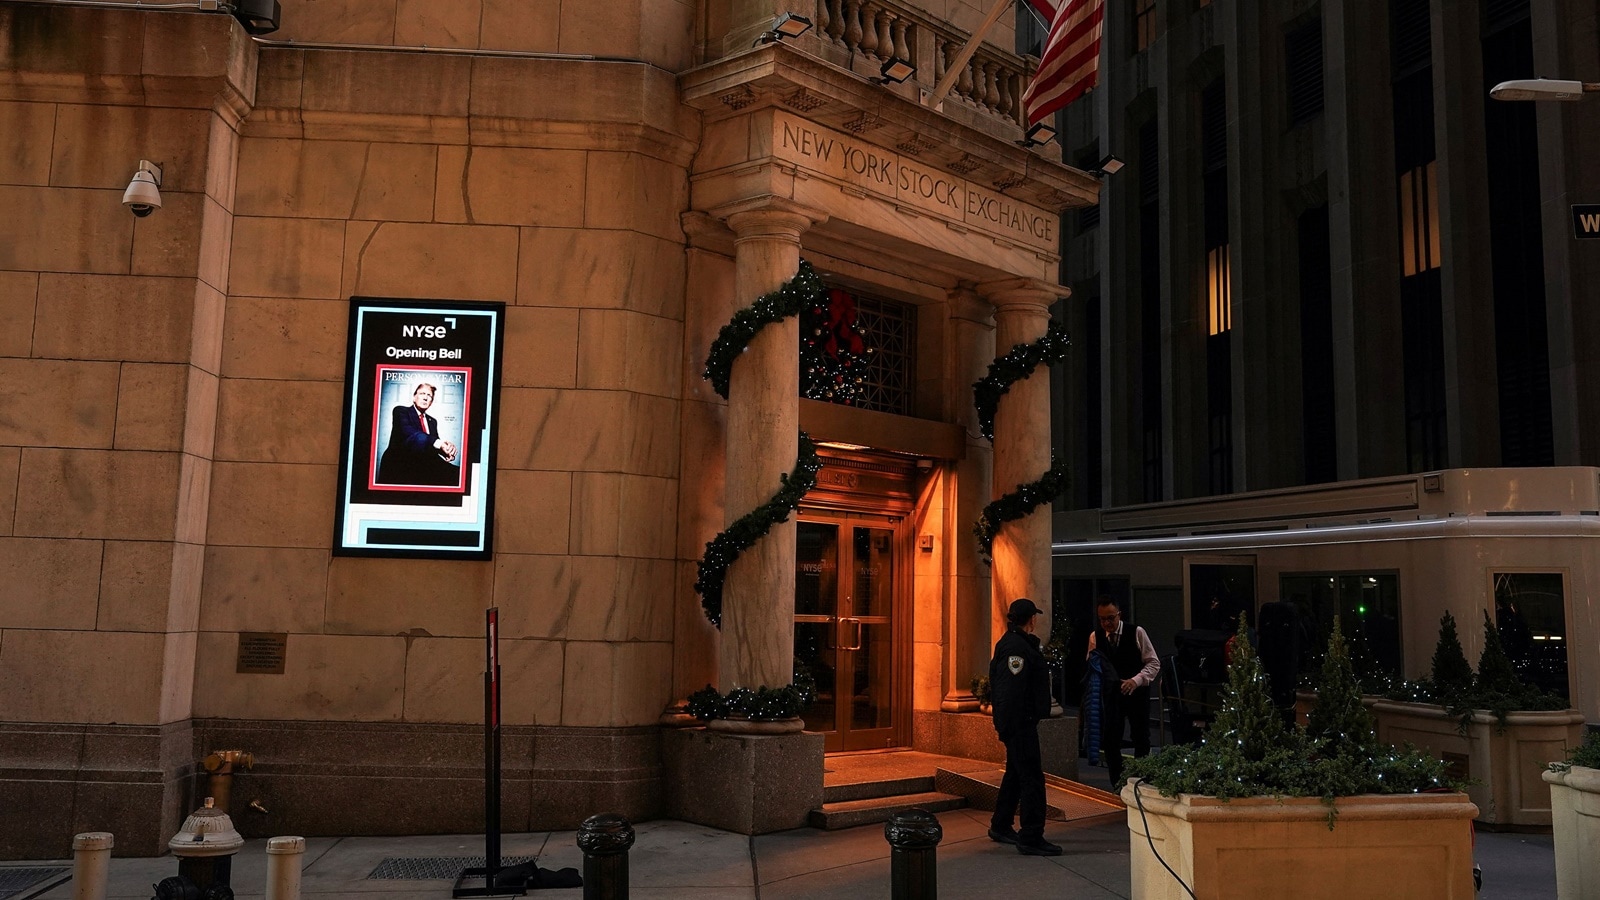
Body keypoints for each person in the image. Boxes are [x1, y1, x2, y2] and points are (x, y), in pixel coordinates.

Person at [987, 597, 1061, 857]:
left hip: (1018, 722)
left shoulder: (1014, 644)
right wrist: (1010, 726)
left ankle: (1001, 824)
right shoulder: (1016, 649)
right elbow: (1011, 691)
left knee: (1016, 773)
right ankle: (1031, 836)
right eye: (1035, 617)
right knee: (1031, 778)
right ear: (1031, 619)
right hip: (1020, 723)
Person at [1086, 596, 1160, 787]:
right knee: (1111, 740)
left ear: (1119, 614)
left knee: (1141, 738)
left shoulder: (1136, 632)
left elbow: (1153, 662)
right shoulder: (1095, 637)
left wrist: (1135, 680)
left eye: (1110, 618)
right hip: (1111, 696)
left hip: (1136, 693)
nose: (1107, 623)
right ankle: (1118, 785)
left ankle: (1142, 781)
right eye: (1102, 619)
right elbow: (1092, 665)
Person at [375, 382, 461, 486]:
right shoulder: (401, 411)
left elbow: (433, 445)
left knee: (460, 475)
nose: (425, 398)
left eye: (429, 396)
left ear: (431, 402)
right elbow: (411, 433)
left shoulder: (432, 421)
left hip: (423, 468)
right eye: (422, 393)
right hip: (399, 466)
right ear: (414, 397)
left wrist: (446, 450)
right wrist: (439, 443)